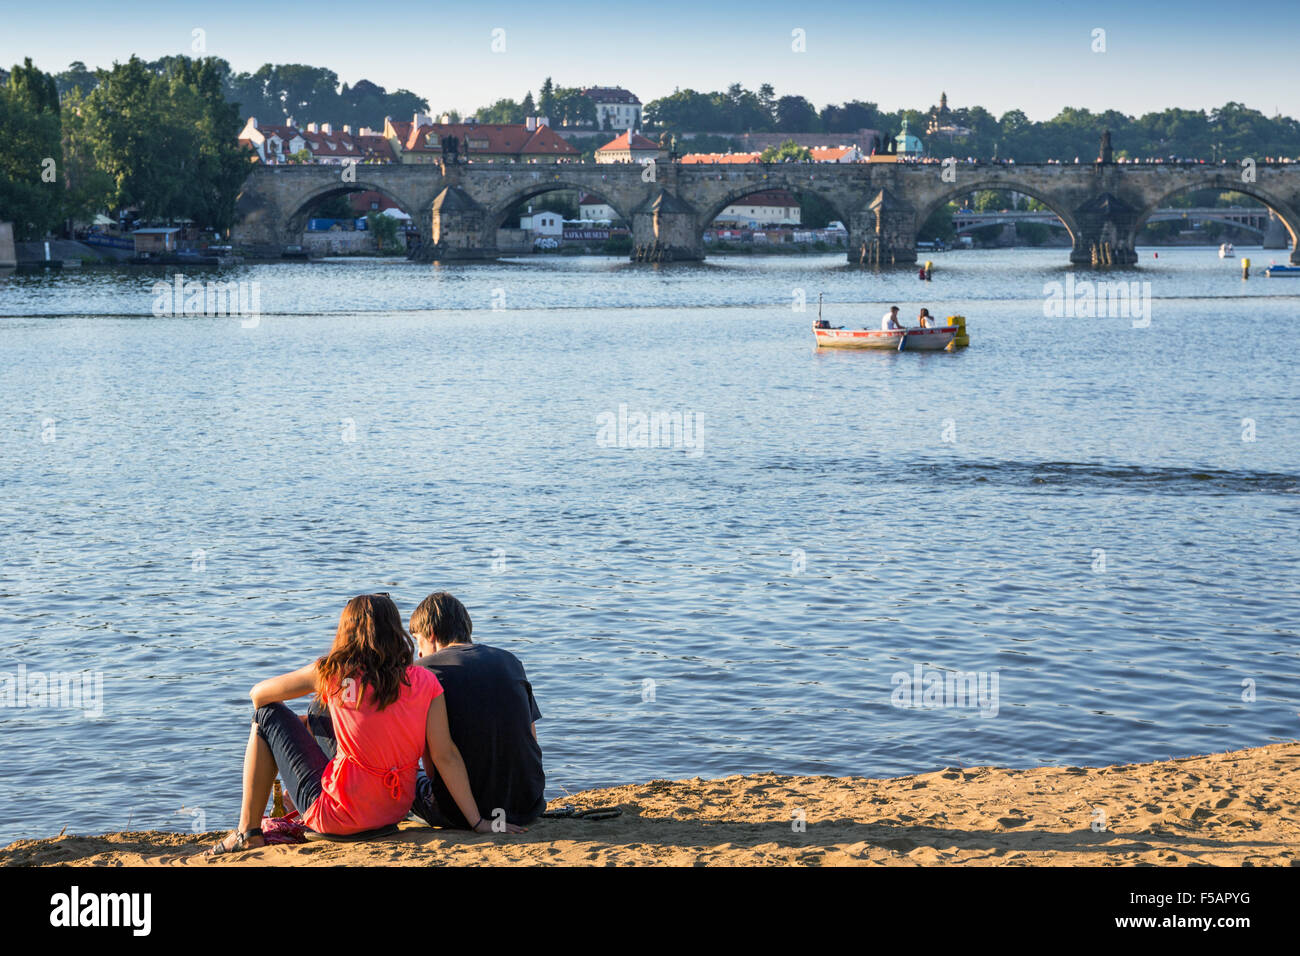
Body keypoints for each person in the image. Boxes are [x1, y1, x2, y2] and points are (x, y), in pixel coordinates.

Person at [204, 594, 523, 855]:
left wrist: (319, 677)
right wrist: (478, 821)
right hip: (392, 811)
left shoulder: (332, 673)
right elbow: (445, 756)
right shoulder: (424, 680)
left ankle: (247, 832)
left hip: (339, 818)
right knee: (321, 714)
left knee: (268, 716)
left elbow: (259, 696)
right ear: (395, 630)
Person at [308, 592, 546, 830]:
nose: (417, 653)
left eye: (418, 640)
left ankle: (338, 801)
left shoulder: (421, 673)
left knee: (408, 776)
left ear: (431, 634)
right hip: (527, 804)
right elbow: (530, 738)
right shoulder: (510, 661)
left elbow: (434, 767)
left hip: (460, 812)